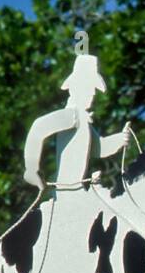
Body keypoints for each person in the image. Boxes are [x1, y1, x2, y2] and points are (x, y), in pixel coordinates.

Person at [23, 53, 131, 198]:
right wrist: (31, 168)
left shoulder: (83, 121)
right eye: (88, 87)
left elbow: (98, 148)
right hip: (66, 192)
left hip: (77, 190)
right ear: (75, 88)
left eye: (93, 88)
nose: (93, 93)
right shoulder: (72, 116)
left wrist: (120, 139)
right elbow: (39, 127)